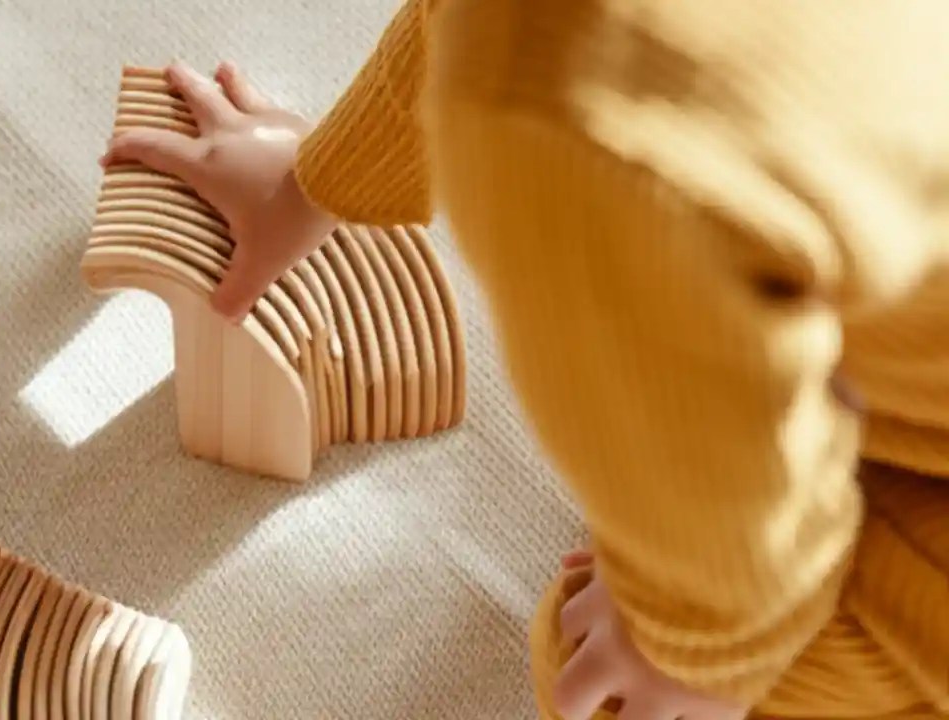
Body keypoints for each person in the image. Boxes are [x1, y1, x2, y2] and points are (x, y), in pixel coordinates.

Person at [102, 1, 949, 718]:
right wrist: (313, 184)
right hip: (879, 297)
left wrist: (693, 645)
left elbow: (706, 437)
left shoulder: (576, 127)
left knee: (592, 675)